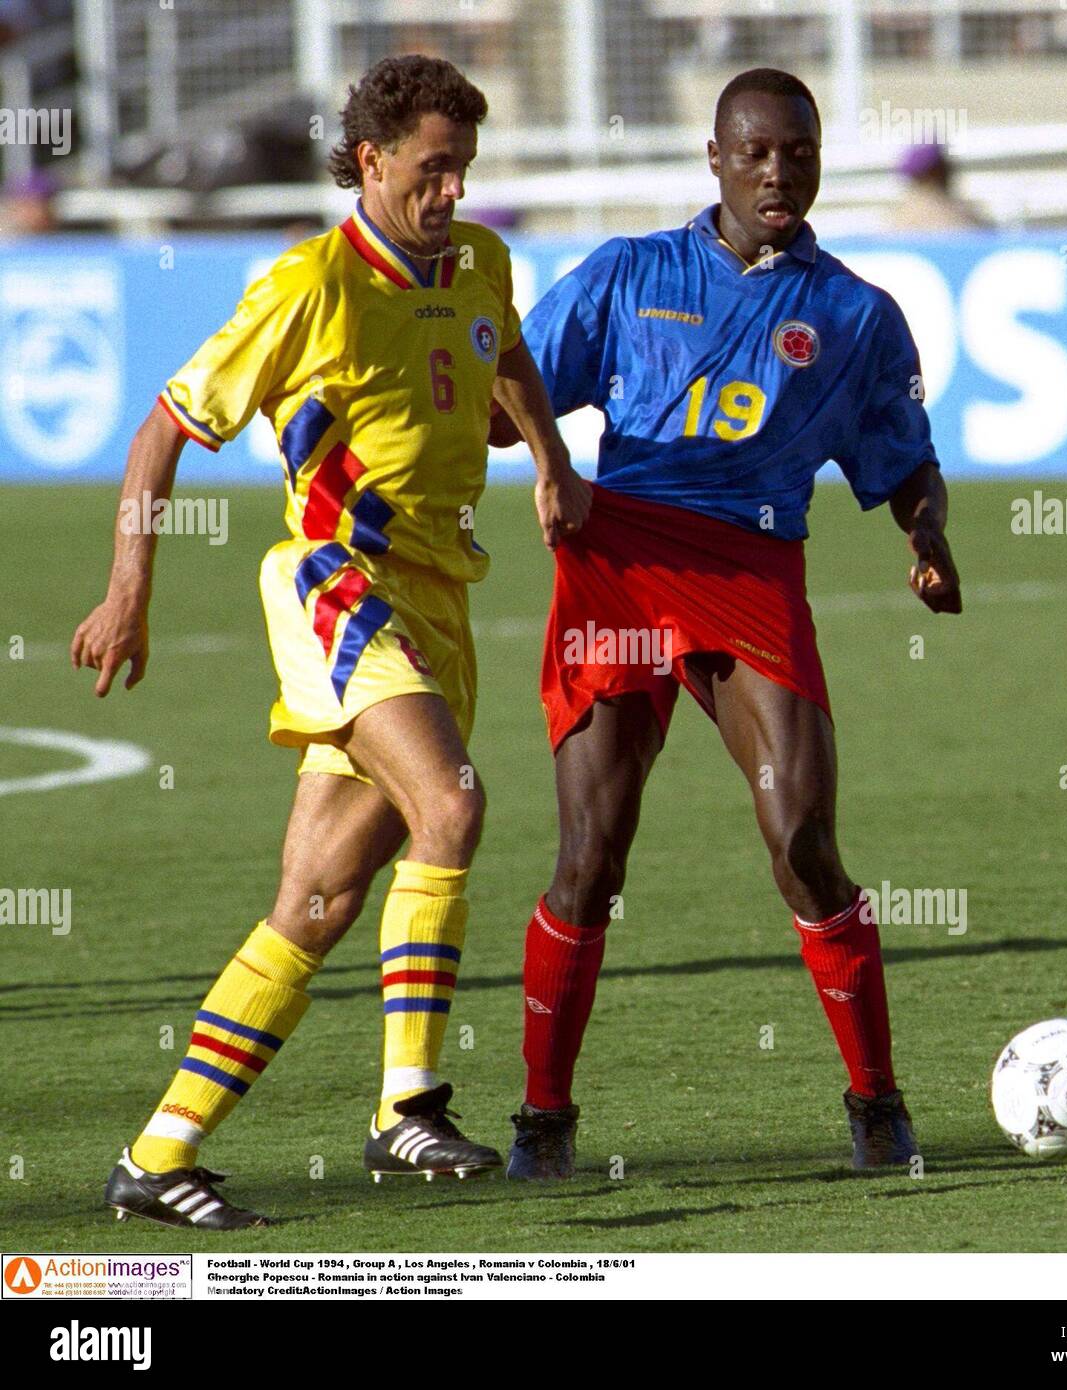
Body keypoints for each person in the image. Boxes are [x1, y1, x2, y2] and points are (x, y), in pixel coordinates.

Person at [72, 54, 590, 1228]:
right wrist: (128, 591)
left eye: (463, 167)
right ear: (370, 161)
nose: (452, 189)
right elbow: (165, 427)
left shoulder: (480, 263)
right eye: (431, 168)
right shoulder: (309, 286)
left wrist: (550, 458)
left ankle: (158, 1155)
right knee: (452, 807)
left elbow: (504, 352)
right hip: (336, 586)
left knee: (316, 902)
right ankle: (408, 1101)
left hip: (442, 600)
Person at [490, 67, 962, 1179]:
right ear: (714, 157)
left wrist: (927, 534)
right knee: (588, 860)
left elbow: (907, 460)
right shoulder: (627, 273)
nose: (776, 172)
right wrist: (515, 444)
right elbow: (511, 384)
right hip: (619, 564)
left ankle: (876, 1101)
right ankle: (544, 1119)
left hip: (752, 574)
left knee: (802, 839)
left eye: (796, 152)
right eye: (754, 152)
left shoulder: (853, 315)